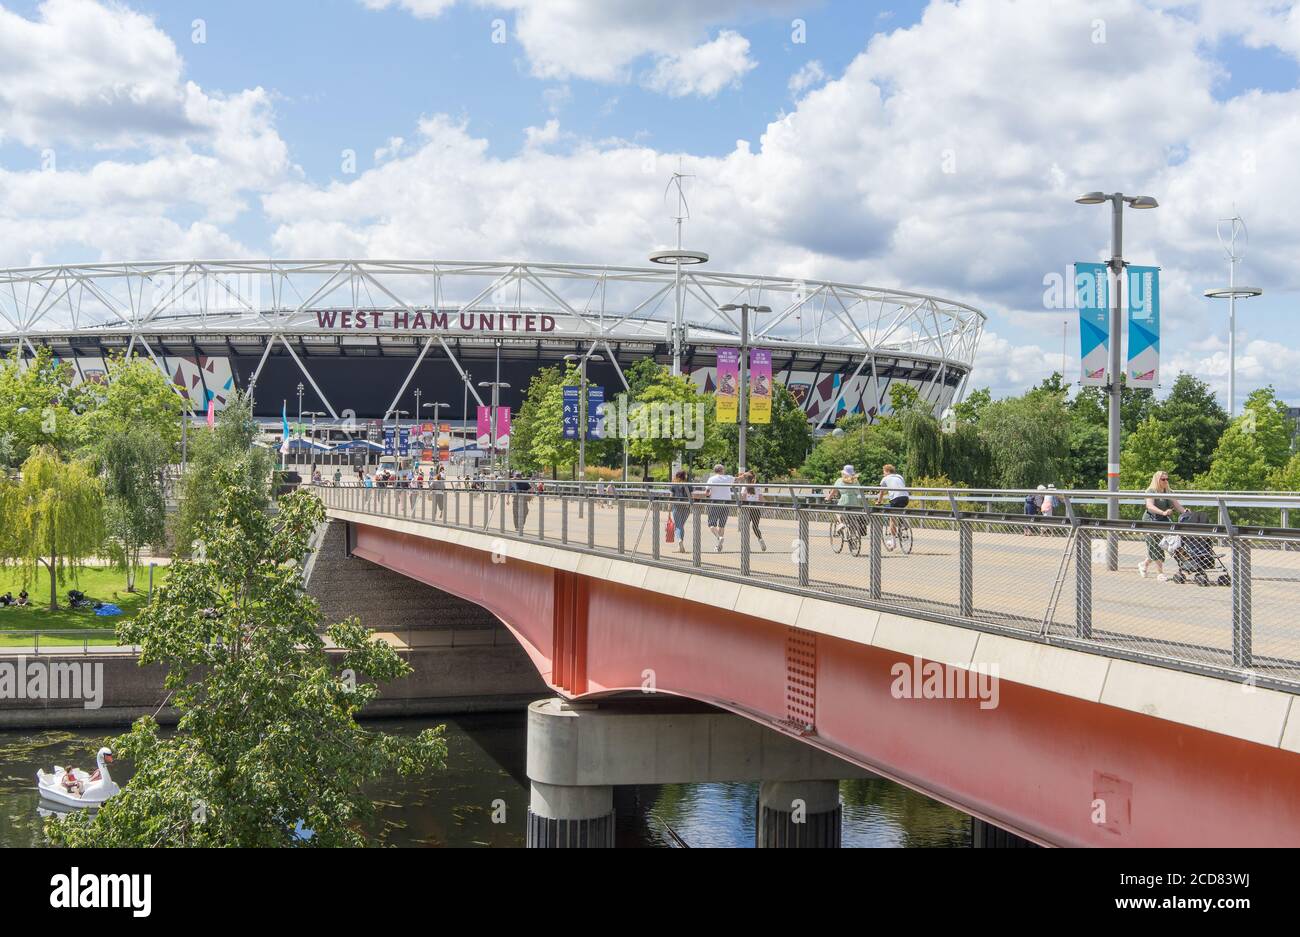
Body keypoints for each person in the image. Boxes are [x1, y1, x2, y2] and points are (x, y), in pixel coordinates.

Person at [1140, 470, 1184, 581]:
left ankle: (1144, 564)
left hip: (1163, 520)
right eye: (1163, 479)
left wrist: (1185, 512)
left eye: (1167, 479)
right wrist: (1163, 512)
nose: (1165, 481)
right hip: (1151, 520)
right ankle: (1160, 573)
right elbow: (1149, 506)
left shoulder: (1168, 491)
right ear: (1157, 480)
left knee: (1168, 543)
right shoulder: (1151, 491)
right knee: (1156, 545)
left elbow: (1177, 505)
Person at [827, 464, 866, 542]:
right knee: (852, 518)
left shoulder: (839, 480)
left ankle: (841, 523)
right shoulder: (855, 480)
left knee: (837, 512)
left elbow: (834, 491)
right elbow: (859, 491)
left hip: (844, 500)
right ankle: (853, 535)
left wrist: (828, 498)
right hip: (854, 501)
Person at [875, 464, 909, 549]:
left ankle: (893, 542)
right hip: (905, 498)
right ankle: (904, 522)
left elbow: (881, 492)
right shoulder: (900, 477)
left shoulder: (885, 478)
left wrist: (878, 501)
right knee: (899, 509)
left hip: (895, 499)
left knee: (892, 519)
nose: (883, 474)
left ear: (887, 471)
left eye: (884, 472)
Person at [705, 463, 735, 552]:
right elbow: (738, 479)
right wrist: (745, 474)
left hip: (715, 503)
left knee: (711, 524)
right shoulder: (728, 477)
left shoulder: (711, 479)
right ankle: (719, 547)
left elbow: (707, 491)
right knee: (722, 525)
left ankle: (719, 538)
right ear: (722, 470)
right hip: (726, 503)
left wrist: (707, 496)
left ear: (715, 471)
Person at [669, 469, 694, 554]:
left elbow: (671, 496)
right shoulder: (688, 484)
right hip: (686, 507)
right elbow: (691, 496)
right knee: (681, 525)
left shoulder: (674, 485)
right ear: (685, 476)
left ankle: (679, 540)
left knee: (678, 526)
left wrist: (669, 506)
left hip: (676, 506)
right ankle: (681, 546)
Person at [741, 470, 766, 551]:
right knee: (755, 527)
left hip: (747, 509)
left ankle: (747, 546)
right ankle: (760, 539)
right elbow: (761, 498)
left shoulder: (745, 487)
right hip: (756, 508)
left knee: (745, 527)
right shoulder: (757, 486)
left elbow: (744, 498)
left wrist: (741, 507)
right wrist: (765, 504)